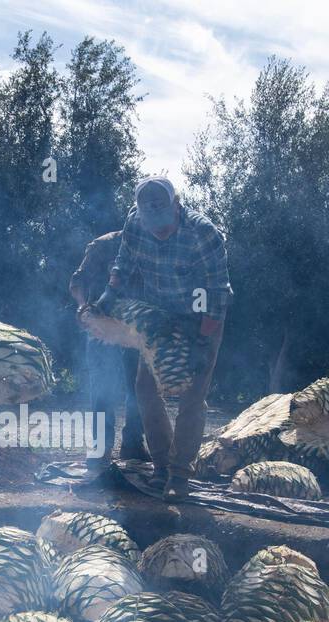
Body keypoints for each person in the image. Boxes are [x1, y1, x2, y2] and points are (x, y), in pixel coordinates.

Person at [88, 178, 232, 502]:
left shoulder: (203, 234)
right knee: (145, 389)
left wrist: (202, 343)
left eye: (163, 222)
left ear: (176, 206)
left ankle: (180, 476)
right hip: (159, 315)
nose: (158, 229)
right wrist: (108, 295)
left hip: (202, 317)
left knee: (192, 395)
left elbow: (217, 294)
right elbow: (122, 264)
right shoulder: (135, 223)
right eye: (151, 222)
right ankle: (162, 467)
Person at [69, 231, 146, 466]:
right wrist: (83, 306)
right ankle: (101, 448)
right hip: (101, 327)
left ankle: (133, 445)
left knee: (139, 388)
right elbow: (77, 281)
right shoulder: (104, 245)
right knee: (103, 387)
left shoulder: (153, 245)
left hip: (135, 328)